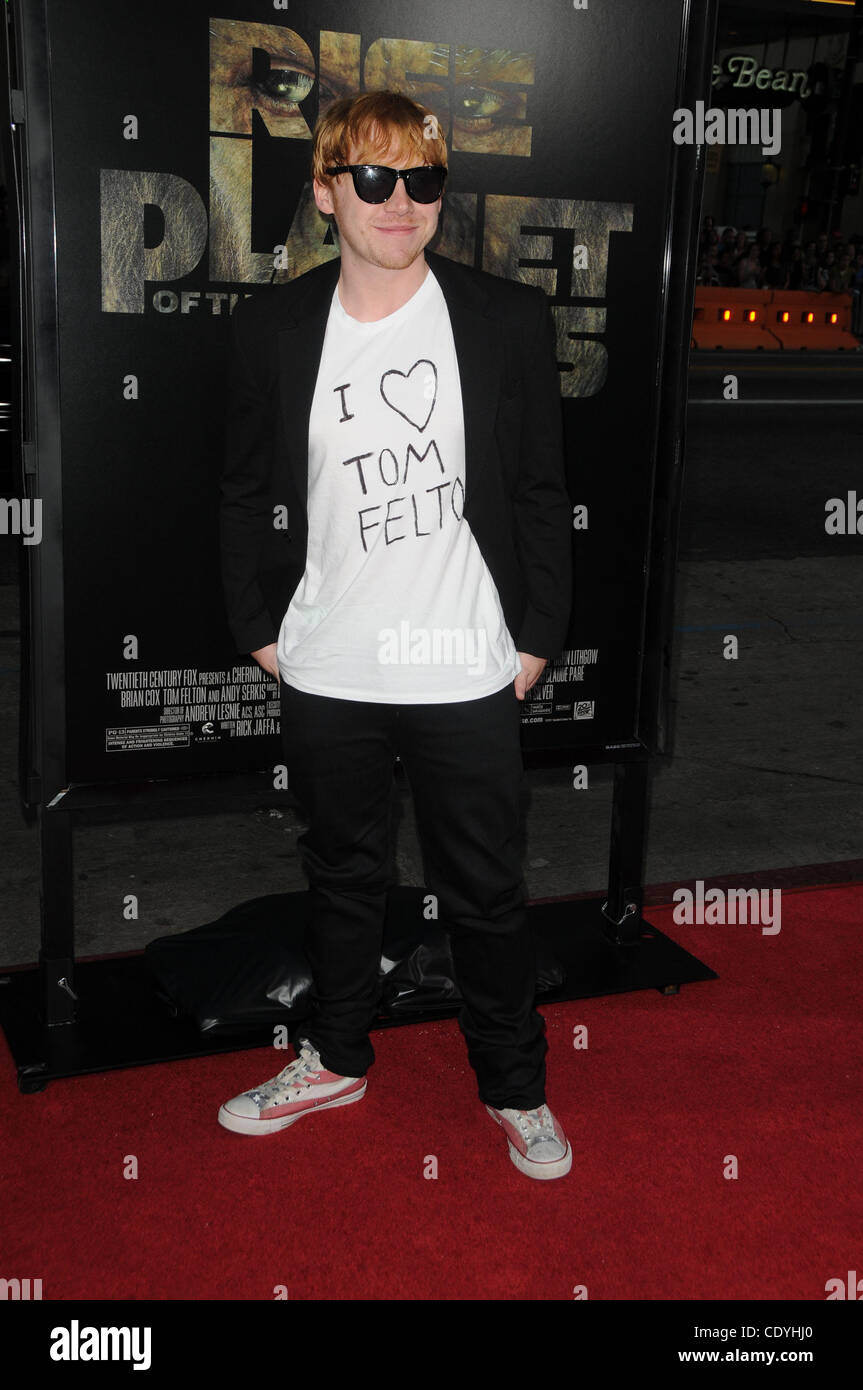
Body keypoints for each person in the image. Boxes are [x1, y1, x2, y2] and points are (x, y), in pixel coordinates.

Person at [217, 90, 574, 1180]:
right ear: (326, 191)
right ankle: (332, 1056)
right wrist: (260, 630)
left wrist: (534, 640)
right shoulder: (274, 330)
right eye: (372, 178)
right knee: (342, 877)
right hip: (329, 664)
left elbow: (535, 489)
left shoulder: (504, 320)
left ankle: (515, 1089)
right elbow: (238, 492)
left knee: (486, 890)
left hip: (465, 661)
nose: (399, 202)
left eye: (422, 180)